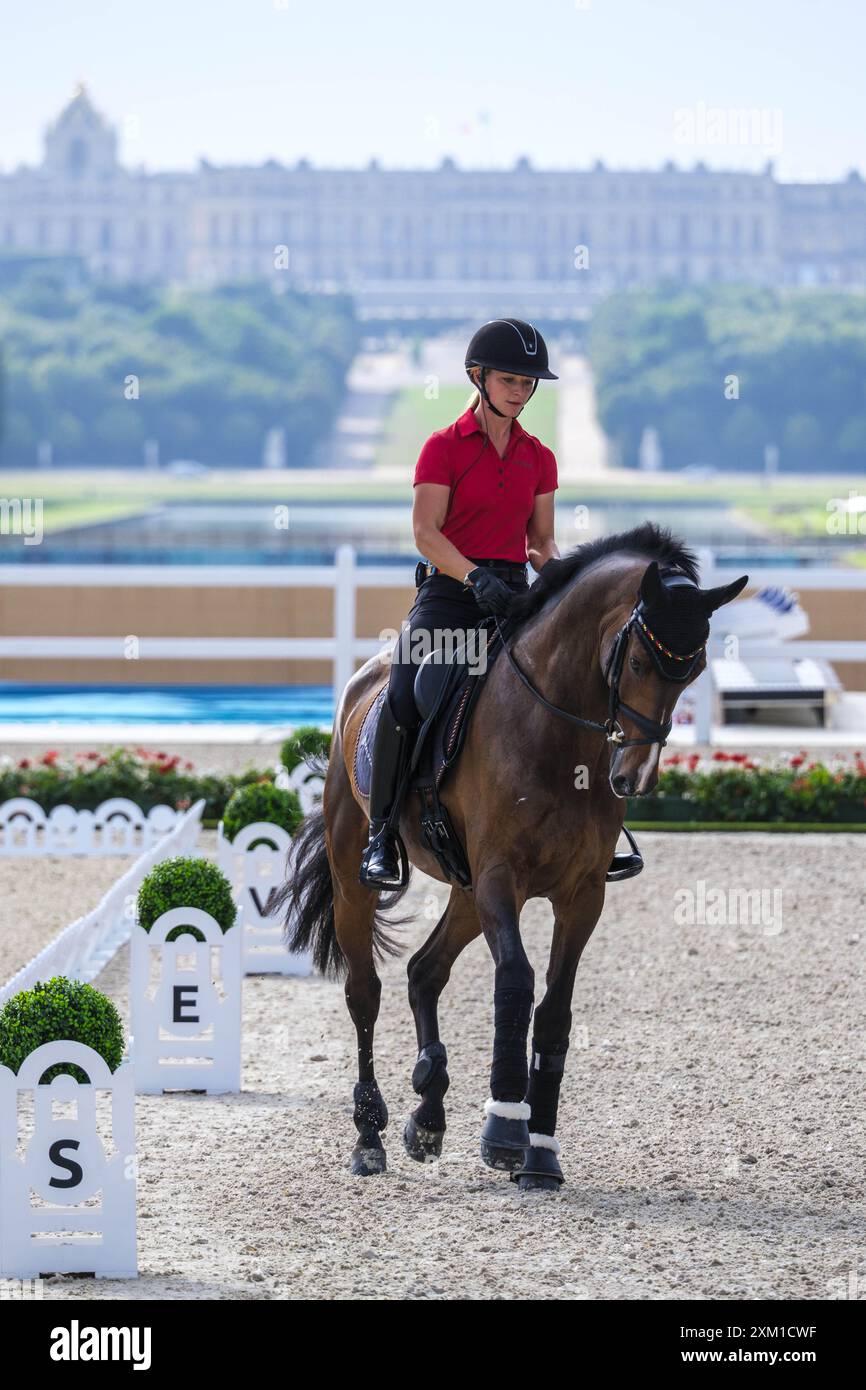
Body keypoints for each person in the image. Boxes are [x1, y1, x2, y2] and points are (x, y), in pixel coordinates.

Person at [359, 317, 560, 888]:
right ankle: (381, 836)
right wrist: (474, 578)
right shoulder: (442, 448)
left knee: (571, 680)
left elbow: (540, 543)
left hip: (513, 597)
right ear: (478, 377)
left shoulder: (538, 457)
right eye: (509, 381)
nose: (520, 393)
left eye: (528, 384)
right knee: (407, 690)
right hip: (450, 594)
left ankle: (592, 825)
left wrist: (562, 575)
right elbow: (426, 533)